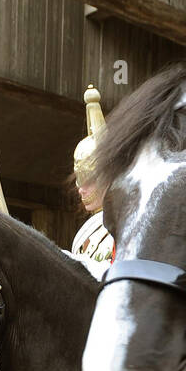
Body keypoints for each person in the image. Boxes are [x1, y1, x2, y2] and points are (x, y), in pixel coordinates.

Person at [71, 85, 115, 273]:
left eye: (89, 180)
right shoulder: (89, 229)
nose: (81, 189)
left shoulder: (120, 226)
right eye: (80, 180)